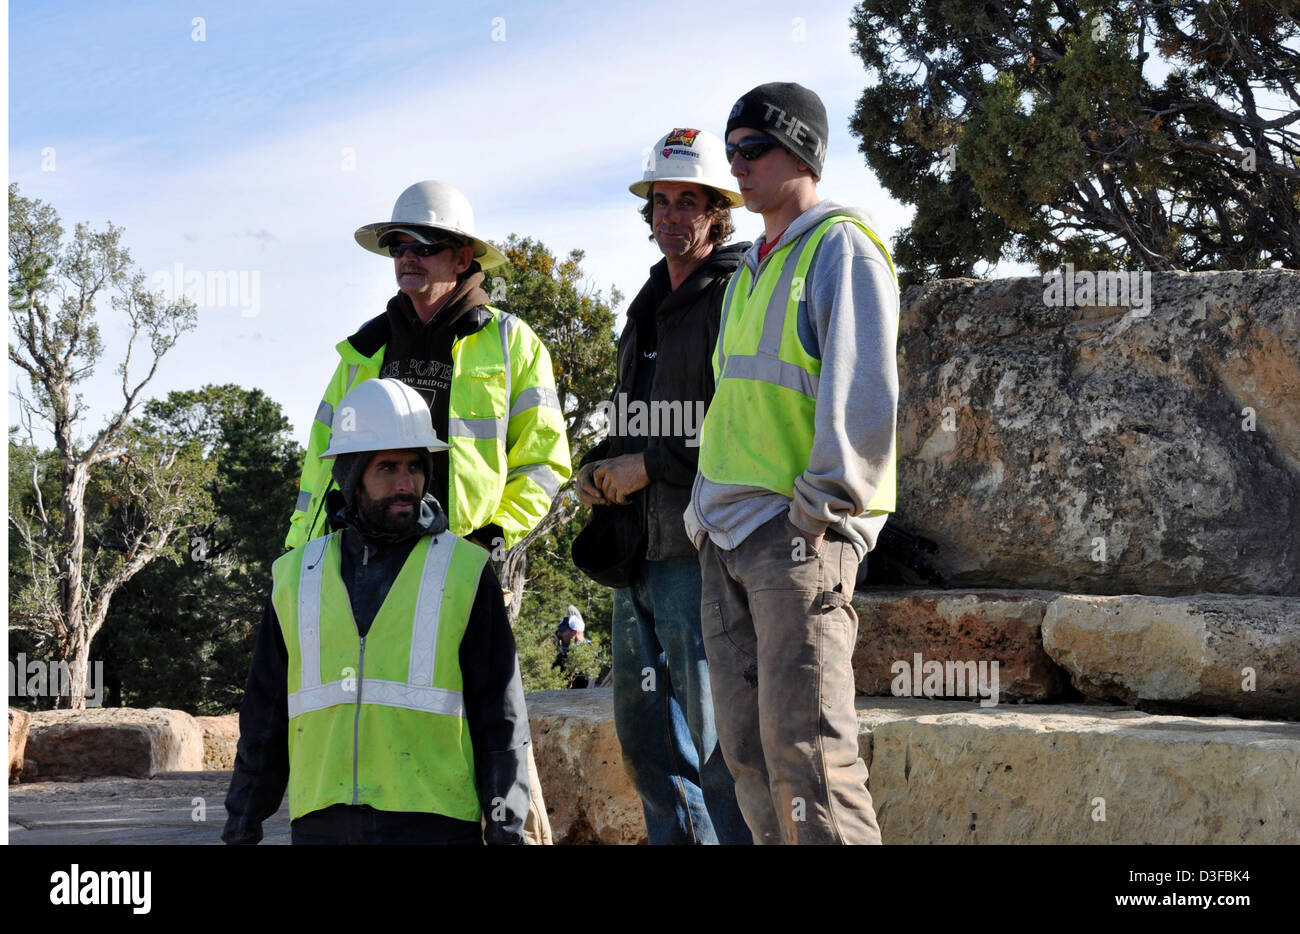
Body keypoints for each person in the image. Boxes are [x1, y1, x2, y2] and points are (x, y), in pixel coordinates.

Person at [284, 180, 568, 844]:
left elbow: (546, 459)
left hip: (467, 561)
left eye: (425, 245)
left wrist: (498, 533)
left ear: (464, 256)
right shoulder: (362, 351)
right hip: (365, 565)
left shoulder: (511, 344)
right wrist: (300, 560)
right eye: (397, 245)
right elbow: (319, 468)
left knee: (495, 722)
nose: (408, 256)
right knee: (383, 720)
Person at [685, 83, 900, 845]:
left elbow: (865, 391)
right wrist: (702, 518)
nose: (736, 165)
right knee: (747, 754)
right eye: (732, 149)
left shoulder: (840, 247)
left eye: (753, 149)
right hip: (729, 537)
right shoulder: (751, 268)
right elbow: (733, 403)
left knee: (811, 757)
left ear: (801, 151)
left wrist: (819, 512)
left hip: (796, 538)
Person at [223, 379, 531, 845]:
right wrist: (244, 816)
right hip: (323, 822)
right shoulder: (296, 576)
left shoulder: (464, 570)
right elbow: (265, 712)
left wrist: (507, 826)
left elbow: (500, 713)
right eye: (387, 468)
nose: (405, 484)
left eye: (414, 467)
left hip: (435, 822)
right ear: (351, 476)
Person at [573, 128, 750, 845]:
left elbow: (742, 420)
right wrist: (600, 462)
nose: (671, 215)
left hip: (698, 551)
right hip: (634, 558)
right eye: (661, 201)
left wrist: (650, 466)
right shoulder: (645, 305)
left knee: (717, 749)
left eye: (689, 202)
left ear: (716, 213)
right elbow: (637, 420)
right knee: (647, 745)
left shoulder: (735, 294)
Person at [551, 606, 590, 688]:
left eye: (562, 631)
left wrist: (559, 655)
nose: (559, 634)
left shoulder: (590, 653)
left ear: (574, 633)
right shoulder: (561, 651)